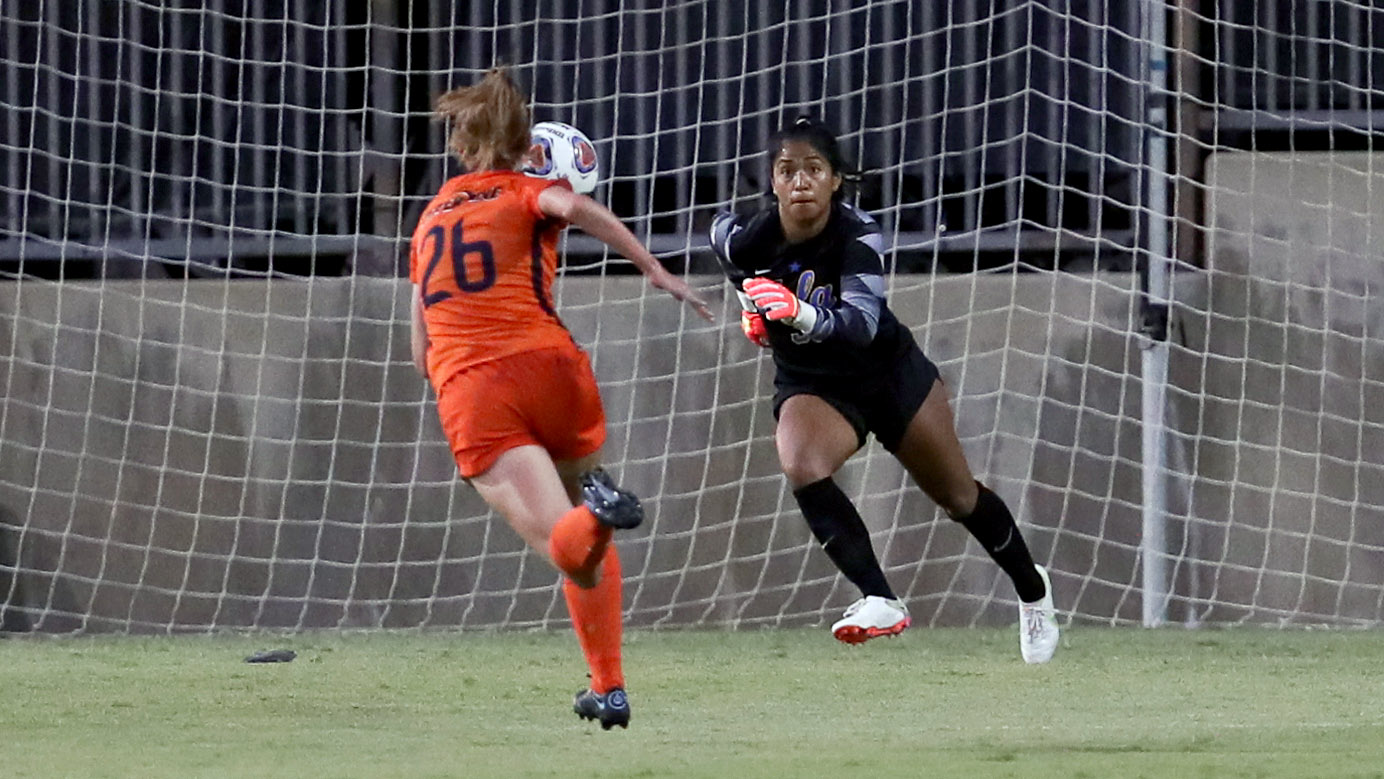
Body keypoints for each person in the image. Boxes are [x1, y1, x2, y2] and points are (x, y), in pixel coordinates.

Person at [409, 69, 714, 730]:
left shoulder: (430, 219)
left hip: (474, 388)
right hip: (555, 370)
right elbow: (571, 207)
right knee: (581, 527)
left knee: (568, 542)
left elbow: (418, 350)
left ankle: (600, 517)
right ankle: (608, 685)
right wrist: (653, 267)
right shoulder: (530, 191)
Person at [709, 116, 1058, 663]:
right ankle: (880, 597)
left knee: (958, 497)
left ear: (836, 181)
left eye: (814, 169)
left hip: (888, 375)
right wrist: (748, 304)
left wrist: (798, 313)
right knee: (800, 461)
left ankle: (1033, 590)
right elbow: (723, 244)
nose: (800, 181)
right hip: (814, 384)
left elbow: (862, 324)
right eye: (786, 170)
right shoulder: (747, 237)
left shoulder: (858, 232)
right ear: (772, 183)